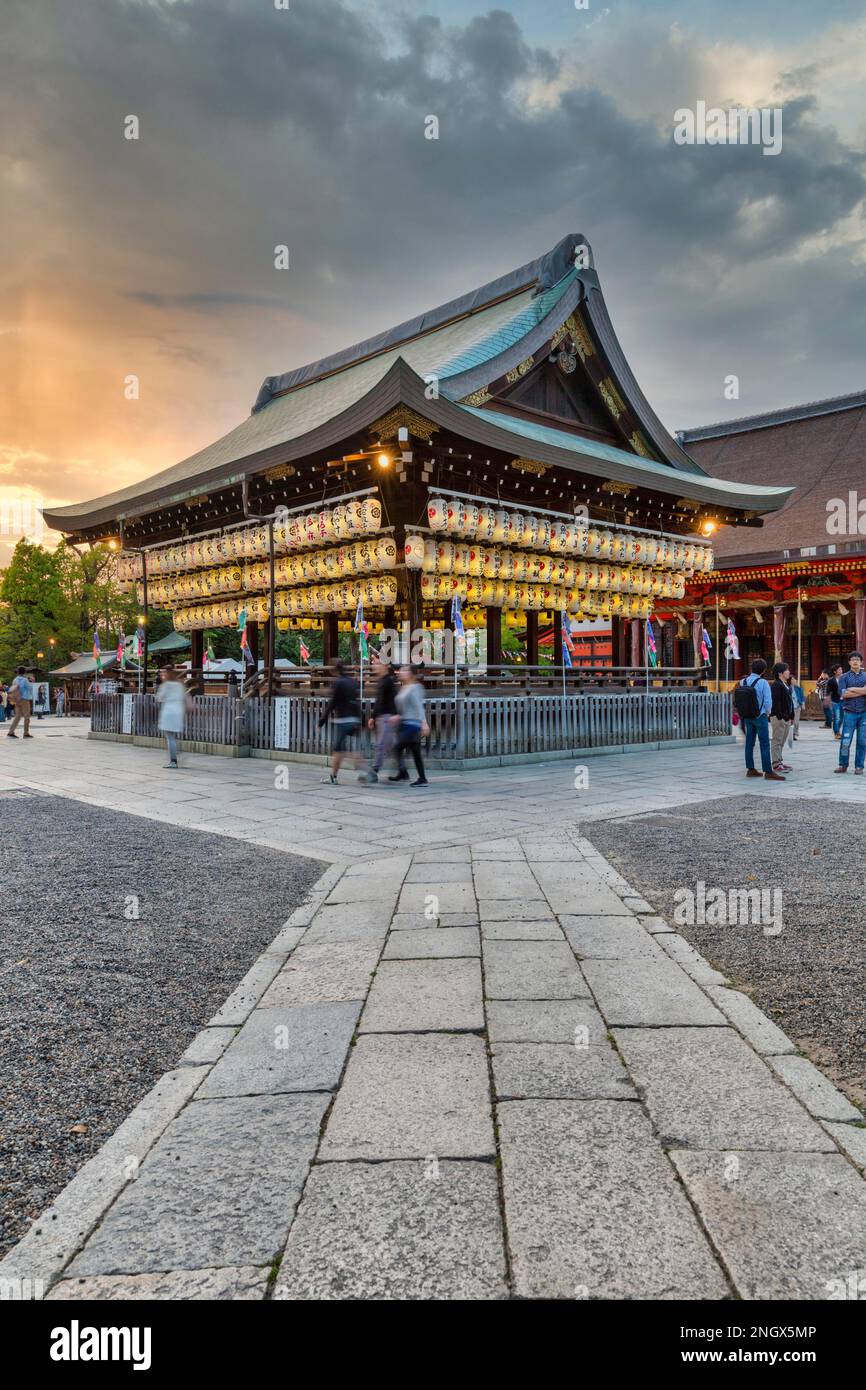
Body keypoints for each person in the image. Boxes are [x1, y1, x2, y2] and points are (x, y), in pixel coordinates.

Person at [733, 657, 784, 781]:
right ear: (763, 671)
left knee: (749, 742)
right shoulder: (763, 683)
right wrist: (767, 713)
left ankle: (750, 769)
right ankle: (768, 771)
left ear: (751, 668)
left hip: (747, 716)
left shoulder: (742, 682)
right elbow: (768, 701)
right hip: (759, 716)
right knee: (764, 743)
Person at [318, 659, 362, 783]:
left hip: (343, 720)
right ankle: (365, 769)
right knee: (343, 750)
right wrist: (359, 720)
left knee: (338, 749)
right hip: (354, 718)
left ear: (334, 670)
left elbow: (332, 703)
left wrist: (322, 720)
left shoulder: (338, 683)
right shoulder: (352, 682)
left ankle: (334, 777)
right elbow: (356, 700)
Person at [389, 663, 429, 786]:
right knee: (415, 752)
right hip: (404, 724)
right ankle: (421, 778)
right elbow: (404, 706)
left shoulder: (415, 687)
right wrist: (398, 716)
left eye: (404, 671)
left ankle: (404, 773)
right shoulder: (404, 687)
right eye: (400, 671)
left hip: (413, 724)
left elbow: (419, 706)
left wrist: (424, 723)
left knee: (397, 748)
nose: (400, 673)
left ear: (411, 674)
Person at [362, 653, 398, 783]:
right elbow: (378, 700)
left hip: (387, 716)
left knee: (381, 745)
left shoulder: (389, 680)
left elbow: (394, 699)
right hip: (381, 716)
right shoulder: (381, 680)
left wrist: (395, 715)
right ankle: (403, 769)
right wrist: (372, 717)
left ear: (384, 665)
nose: (374, 665)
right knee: (390, 745)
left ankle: (374, 771)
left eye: (376, 663)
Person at [835, 650, 866, 775]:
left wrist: (851, 689)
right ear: (849, 662)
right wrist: (862, 690)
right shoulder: (844, 677)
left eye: (857, 660)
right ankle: (843, 764)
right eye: (852, 659)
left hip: (864, 713)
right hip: (849, 712)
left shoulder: (865, 676)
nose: (855, 662)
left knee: (862, 741)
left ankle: (859, 766)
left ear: (861, 662)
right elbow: (843, 694)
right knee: (846, 740)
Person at [155, 665, 189, 768]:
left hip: (168, 711)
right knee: (173, 737)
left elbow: (159, 698)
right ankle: (176, 751)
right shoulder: (180, 684)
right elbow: (184, 697)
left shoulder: (165, 685)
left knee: (170, 738)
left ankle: (173, 761)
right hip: (178, 711)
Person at [769, 662, 794, 773]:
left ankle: (779, 760)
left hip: (786, 717)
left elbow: (789, 702)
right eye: (786, 670)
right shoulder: (776, 685)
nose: (788, 672)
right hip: (779, 717)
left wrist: (791, 715)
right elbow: (776, 702)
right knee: (777, 740)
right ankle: (775, 763)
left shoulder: (785, 684)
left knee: (782, 740)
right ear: (780, 673)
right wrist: (781, 716)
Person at [6, 667, 34, 739]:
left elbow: (13, 688)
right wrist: (31, 681)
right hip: (24, 699)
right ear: (24, 672)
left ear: (18, 672)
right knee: (26, 716)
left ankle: (11, 732)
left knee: (17, 716)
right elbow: (30, 688)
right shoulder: (25, 680)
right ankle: (26, 733)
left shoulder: (15, 680)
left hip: (17, 700)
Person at [826, 663, 844, 738]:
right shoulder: (831, 680)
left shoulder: (844, 678)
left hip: (844, 700)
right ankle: (836, 733)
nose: (841, 670)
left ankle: (838, 731)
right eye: (839, 669)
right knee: (837, 717)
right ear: (835, 671)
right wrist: (828, 700)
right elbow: (828, 691)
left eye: (841, 669)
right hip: (835, 701)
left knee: (842, 718)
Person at [788, 676, 806, 743]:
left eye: (794, 679)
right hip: (790, 707)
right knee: (790, 721)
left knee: (796, 722)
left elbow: (802, 697)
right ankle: (790, 734)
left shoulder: (798, 688)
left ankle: (794, 734)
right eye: (792, 679)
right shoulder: (787, 688)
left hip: (797, 706)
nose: (794, 680)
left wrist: (803, 704)